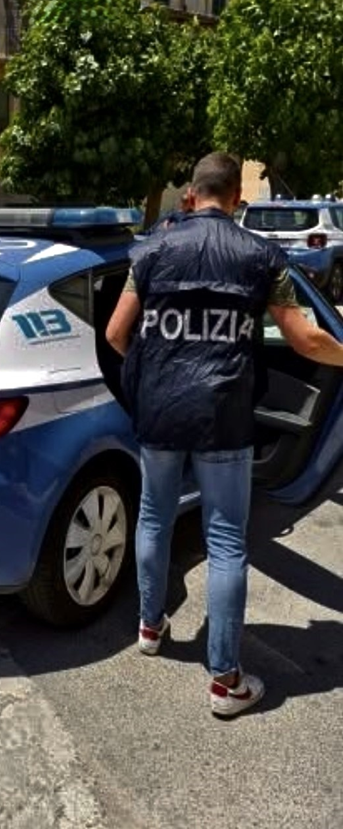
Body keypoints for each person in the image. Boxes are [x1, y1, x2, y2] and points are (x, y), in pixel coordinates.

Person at [106, 152, 343, 719]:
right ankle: (224, 680)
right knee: (227, 541)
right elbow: (306, 341)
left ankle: (149, 627)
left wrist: (150, 373)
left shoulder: (151, 252)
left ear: (190, 195)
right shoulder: (263, 257)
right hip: (223, 416)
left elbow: (117, 334)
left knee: (155, 518)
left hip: (159, 412)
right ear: (237, 198)